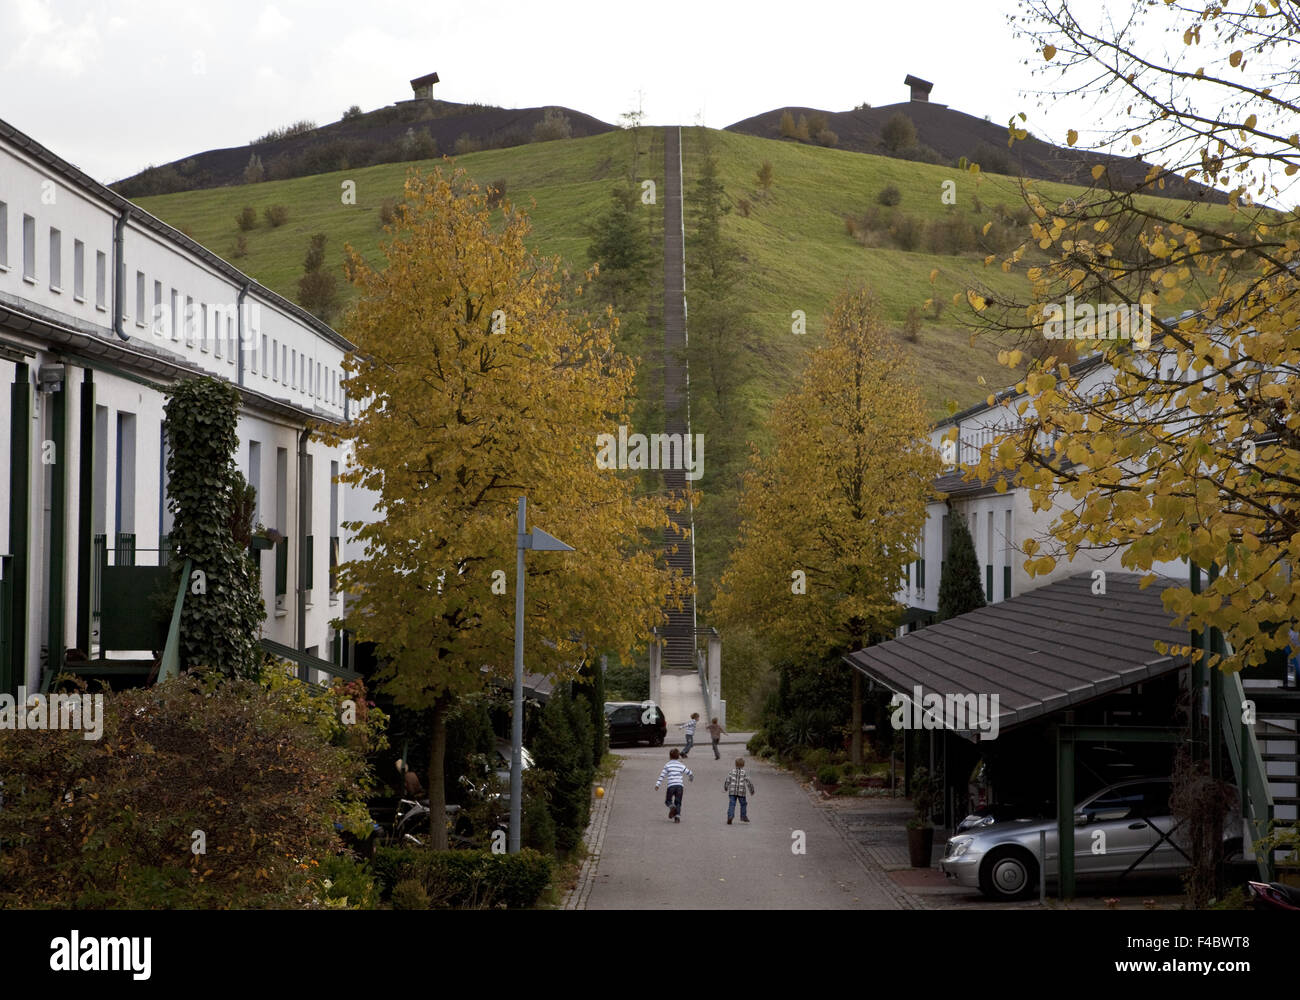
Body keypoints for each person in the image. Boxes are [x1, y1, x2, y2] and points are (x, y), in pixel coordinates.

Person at [655, 747, 694, 822]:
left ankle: (672, 807)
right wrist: (691, 777)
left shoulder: (667, 765)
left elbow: (662, 775)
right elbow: (689, 772)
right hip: (680, 786)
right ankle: (677, 818)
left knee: (668, 801)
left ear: (669, 756)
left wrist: (657, 784)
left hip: (671, 786)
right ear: (678, 757)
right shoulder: (681, 765)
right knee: (678, 802)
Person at [724, 757, 756, 824]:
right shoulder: (744, 773)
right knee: (743, 804)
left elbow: (727, 780)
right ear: (743, 765)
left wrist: (726, 787)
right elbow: (749, 782)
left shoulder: (731, 771)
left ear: (735, 764)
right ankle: (743, 816)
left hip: (732, 792)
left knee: (732, 804)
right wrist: (752, 790)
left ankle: (730, 816)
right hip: (741, 792)